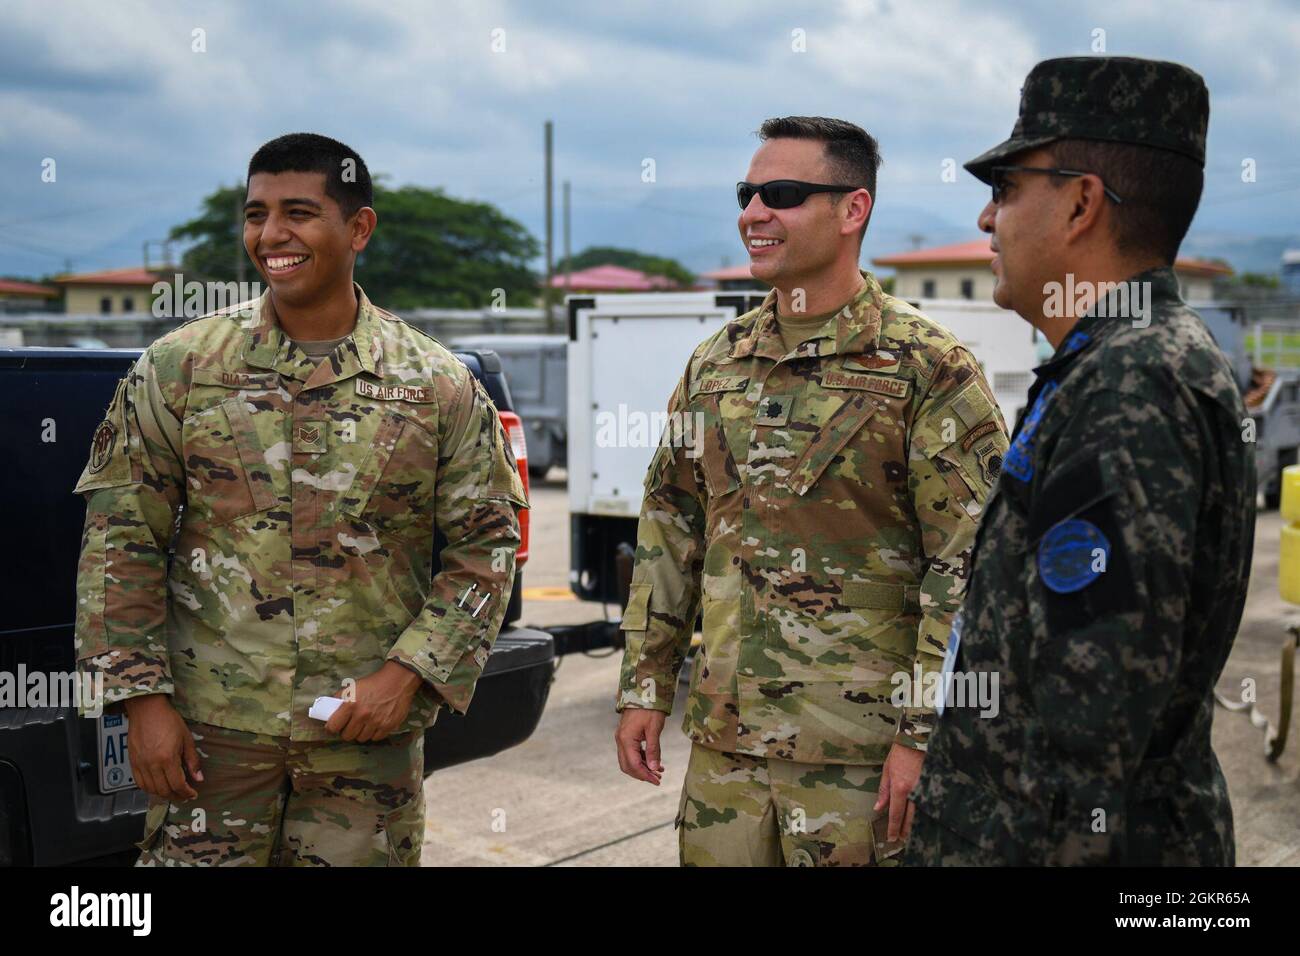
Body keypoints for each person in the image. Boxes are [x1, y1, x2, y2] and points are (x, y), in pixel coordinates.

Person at [73, 132, 528, 866]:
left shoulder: (435, 384)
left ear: (359, 228)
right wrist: (142, 706)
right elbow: (121, 540)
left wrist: (404, 676)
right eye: (256, 214)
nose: (272, 235)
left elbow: (485, 549)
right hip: (211, 740)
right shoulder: (182, 368)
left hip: (365, 741)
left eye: (298, 212)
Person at [613, 116, 1008, 866]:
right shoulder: (716, 364)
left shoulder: (928, 368)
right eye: (747, 193)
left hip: (862, 762)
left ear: (852, 209)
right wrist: (644, 685)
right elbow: (672, 528)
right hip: (726, 748)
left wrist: (925, 741)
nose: (753, 214)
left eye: (783, 194)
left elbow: (969, 570)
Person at [906, 57, 1255, 866]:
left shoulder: (1133, 380)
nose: (988, 218)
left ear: (1080, 202)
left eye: (1007, 184)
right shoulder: (1111, 363)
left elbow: (1092, 732)